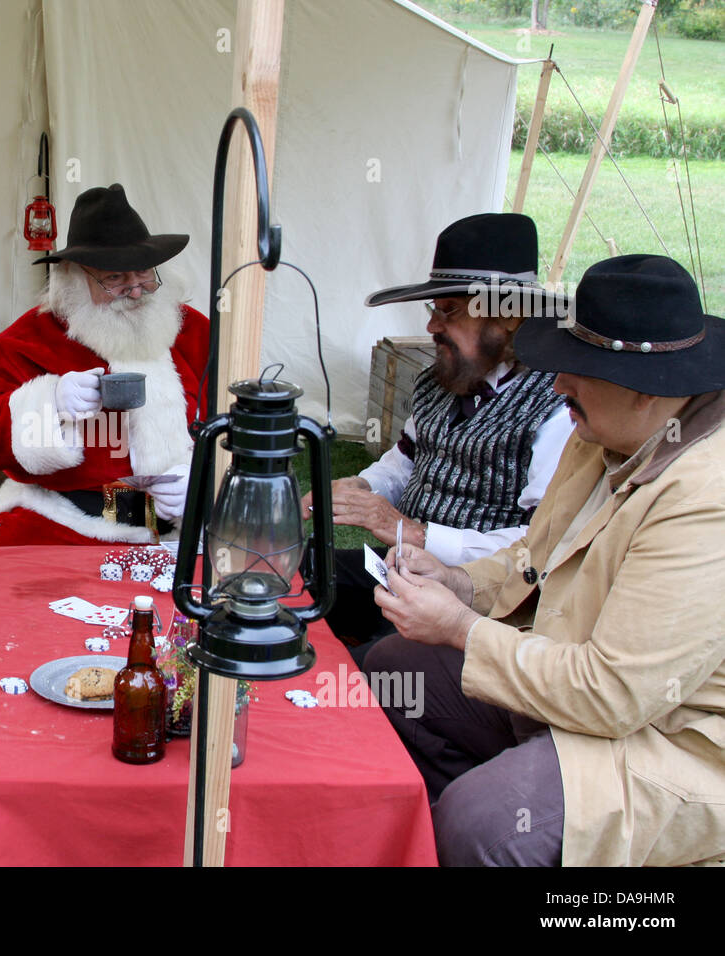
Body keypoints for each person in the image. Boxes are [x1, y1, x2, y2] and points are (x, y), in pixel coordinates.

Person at [368, 254, 725, 867]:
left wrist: (459, 627)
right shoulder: (608, 435)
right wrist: (456, 579)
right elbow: (534, 557)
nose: (557, 385)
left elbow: (614, 695)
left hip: (670, 740)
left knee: (487, 824)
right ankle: (487, 818)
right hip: (576, 692)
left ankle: (505, 830)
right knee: (394, 671)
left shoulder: (705, 498)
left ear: (647, 390)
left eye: (577, 370)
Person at [303, 213, 572, 661]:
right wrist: (361, 488)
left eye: (449, 311)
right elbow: (404, 461)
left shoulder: (557, 407)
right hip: (401, 571)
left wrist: (416, 534)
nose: (432, 327)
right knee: (302, 573)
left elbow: (539, 545)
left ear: (508, 317)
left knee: (375, 666)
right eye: (434, 309)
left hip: (475, 601)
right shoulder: (441, 379)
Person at [0, 183, 208, 545]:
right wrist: (48, 403)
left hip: (185, 526)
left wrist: (202, 476)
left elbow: (238, 420)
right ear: (73, 276)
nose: (135, 290)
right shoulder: (28, 341)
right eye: (115, 278)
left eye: (144, 274)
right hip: (69, 524)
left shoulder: (194, 332)